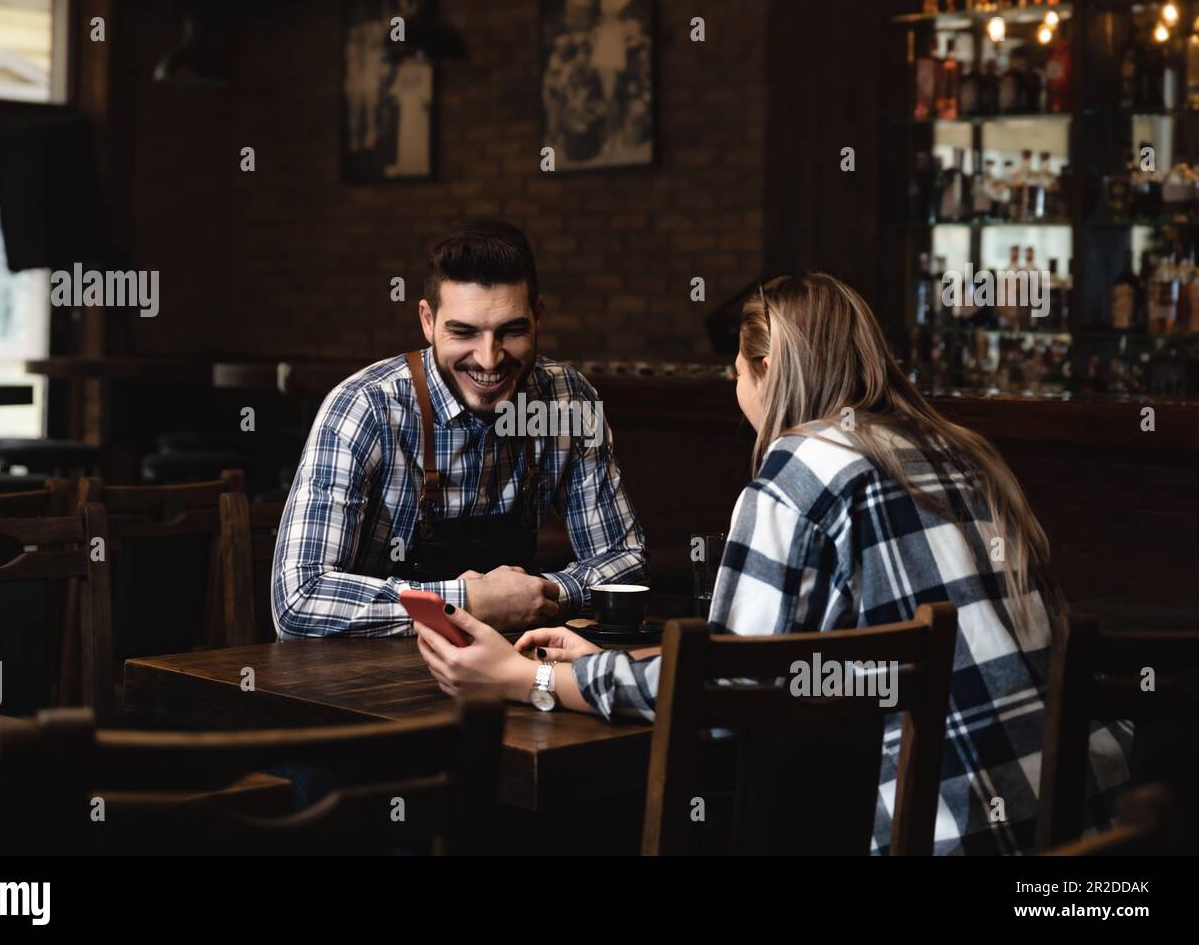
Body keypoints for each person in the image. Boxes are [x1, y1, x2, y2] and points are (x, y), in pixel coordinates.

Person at [411, 272, 1133, 854]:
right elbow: (757, 667)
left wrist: (528, 676)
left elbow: (721, 691)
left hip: (955, 829)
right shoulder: (966, 450)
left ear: (765, 368)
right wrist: (598, 660)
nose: (737, 392)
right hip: (1085, 830)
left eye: (736, 372)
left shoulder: (803, 465)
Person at [271, 220, 647, 638]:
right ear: (428, 321)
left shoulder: (566, 400)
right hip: (361, 676)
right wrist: (468, 602)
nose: (489, 360)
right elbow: (298, 601)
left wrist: (545, 592)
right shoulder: (366, 407)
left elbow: (624, 558)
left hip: (509, 666)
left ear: (538, 317)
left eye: (512, 331)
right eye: (464, 332)